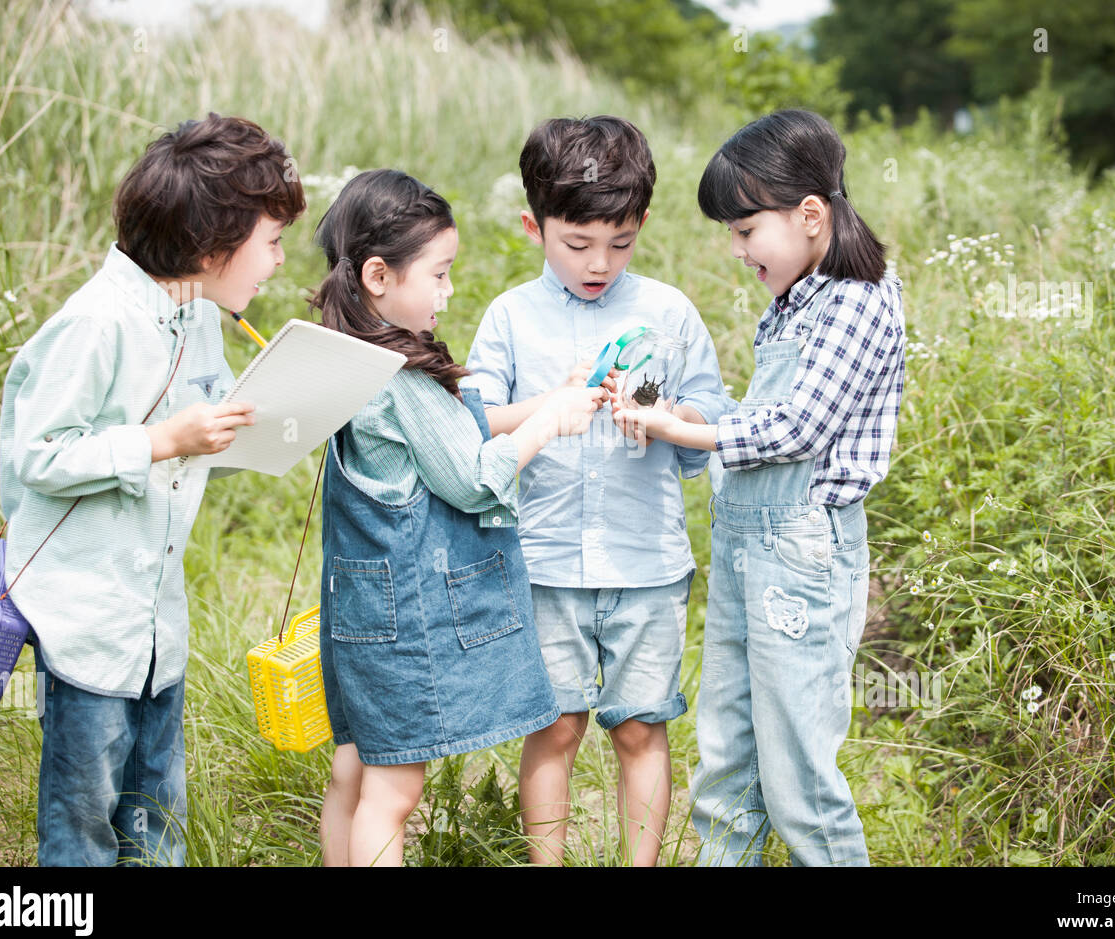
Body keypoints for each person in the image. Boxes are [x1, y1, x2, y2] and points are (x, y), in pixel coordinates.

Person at [0, 113, 306, 865]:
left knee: (156, 811)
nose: (278, 258)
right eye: (269, 242)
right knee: (85, 818)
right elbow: (37, 452)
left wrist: (285, 419)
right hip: (88, 621)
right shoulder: (96, 325)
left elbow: (203, 441)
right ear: (209, 249)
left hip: (155, 624)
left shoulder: (198, 316)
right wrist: (163, 440)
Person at [613, 109, 907, 866]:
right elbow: (765, 418)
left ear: (811, 215)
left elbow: (802, 429)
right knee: (727, 772)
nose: (737, 250)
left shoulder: (857, 297)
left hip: (803, 554)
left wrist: (684, 433)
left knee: (798, 784)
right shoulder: (794, 303)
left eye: (746, 230)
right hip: (751, 551)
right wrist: (682, 412)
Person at [311, 169, 607, 867]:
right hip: (405, 619)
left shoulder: (351, 357)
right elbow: (475, 478)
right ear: (379, 275)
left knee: (354, 770)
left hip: (360, 609)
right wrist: (549, 428)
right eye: (439, 275)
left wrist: (545, 402)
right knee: (394, 791)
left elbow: (454, 434)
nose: (448, 291)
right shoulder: (398, 374)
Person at [467, 116, 729, 866]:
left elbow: (711, 411)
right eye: (577, 244)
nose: (599, 262)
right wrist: (550, 406)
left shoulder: (670, 313)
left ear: (641, 224)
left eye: (619, 243)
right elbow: (477, 423)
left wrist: (666, 417)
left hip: (645, 564)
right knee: (554, 728)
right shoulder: (512, 317)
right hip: (544, 564)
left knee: (641, 727)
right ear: (533, 226)